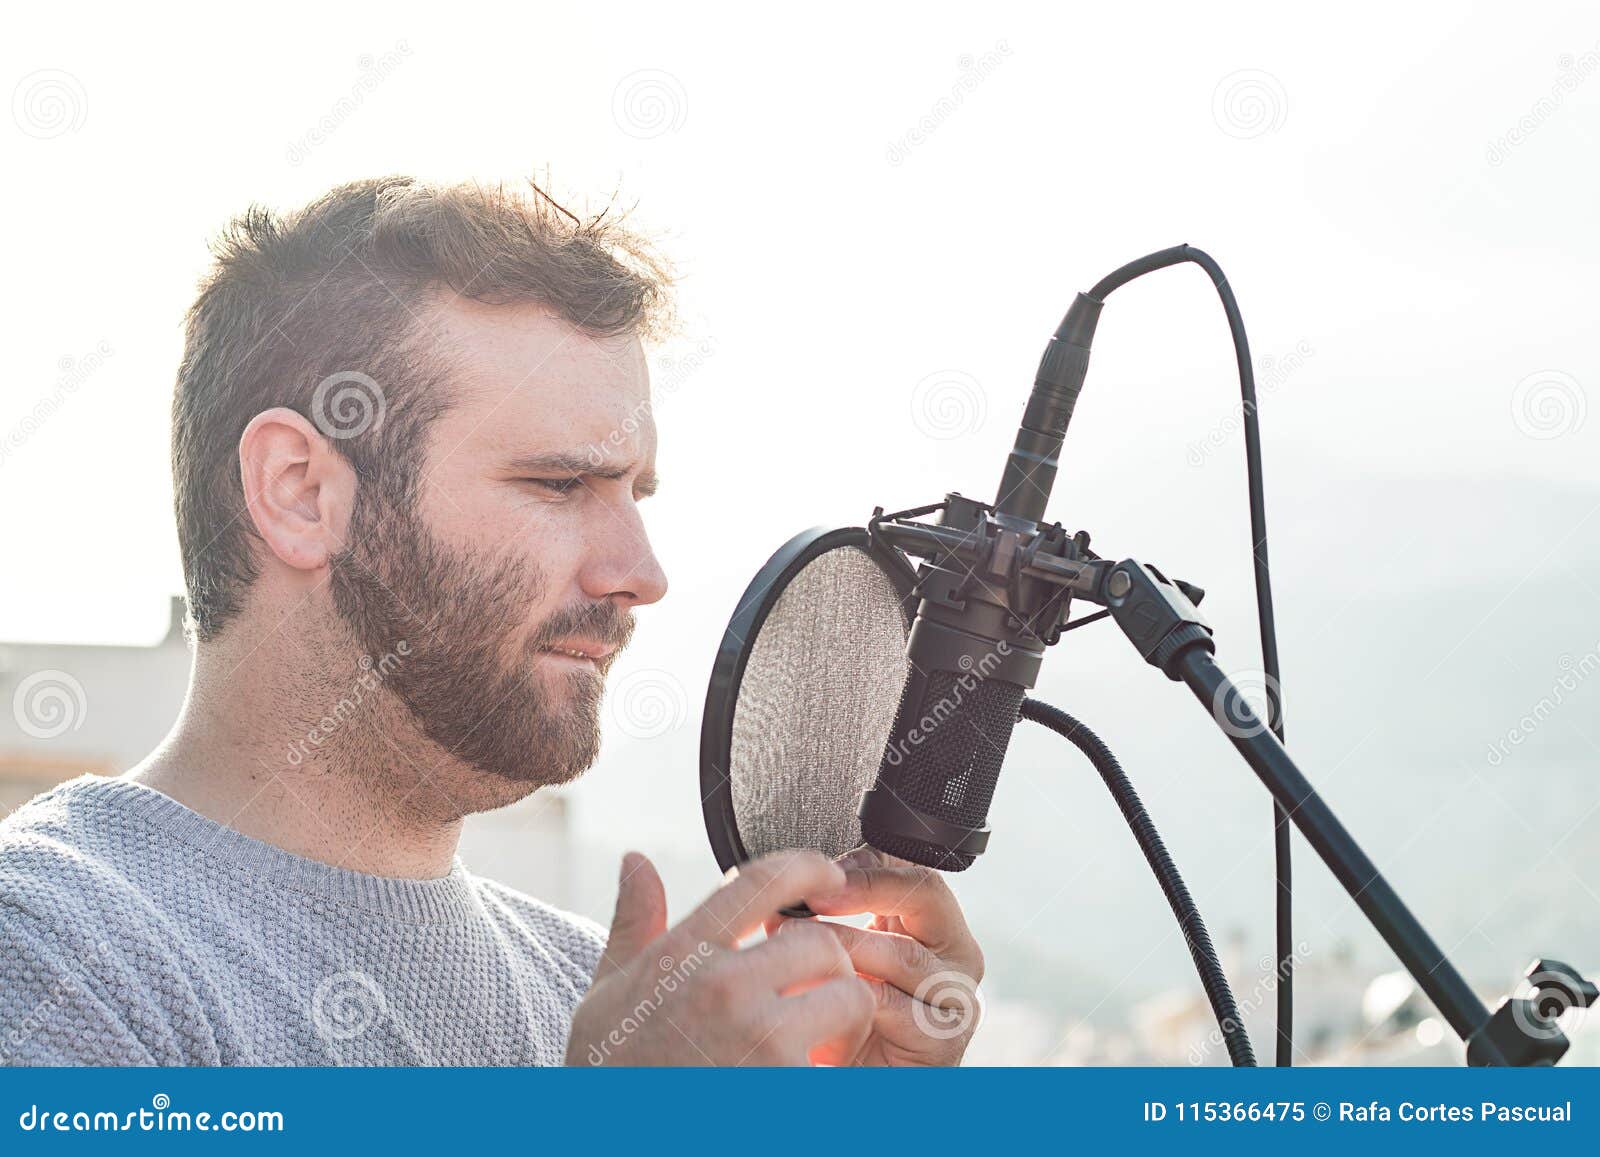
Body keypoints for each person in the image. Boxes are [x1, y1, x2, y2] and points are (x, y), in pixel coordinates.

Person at [0, 177, 983, 1066]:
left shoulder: (595, 1002)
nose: (639, 573)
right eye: (559, 482)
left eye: (636, 493)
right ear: (301, 492)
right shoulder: (51, 947)